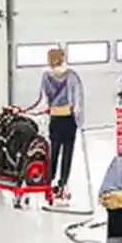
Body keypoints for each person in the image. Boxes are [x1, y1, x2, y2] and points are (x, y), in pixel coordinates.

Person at [32, 47, 85, 200]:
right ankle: (62, 184)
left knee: (54, 151)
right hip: (68, 117)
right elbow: (78, 99)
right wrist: (80, 120)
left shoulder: (46, 76)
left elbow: (43, 98)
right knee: (67, 151)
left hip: (54, 117)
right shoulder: (71, 75)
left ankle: (49, 181)